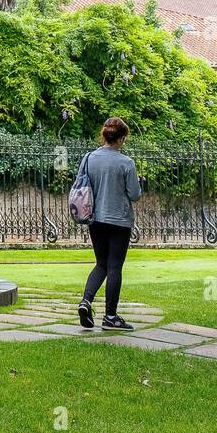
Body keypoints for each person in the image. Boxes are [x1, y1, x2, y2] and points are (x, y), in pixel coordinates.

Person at [77, 117, 144, 331]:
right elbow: (134, 194)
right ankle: (111, 316)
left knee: (101, 264)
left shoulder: (89, 158)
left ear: (104, 135)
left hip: (95, 219)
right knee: (115, 267)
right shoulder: (126, 163)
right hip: (119, 221)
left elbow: (79, 184)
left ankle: (86, 301)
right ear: (122, 138)